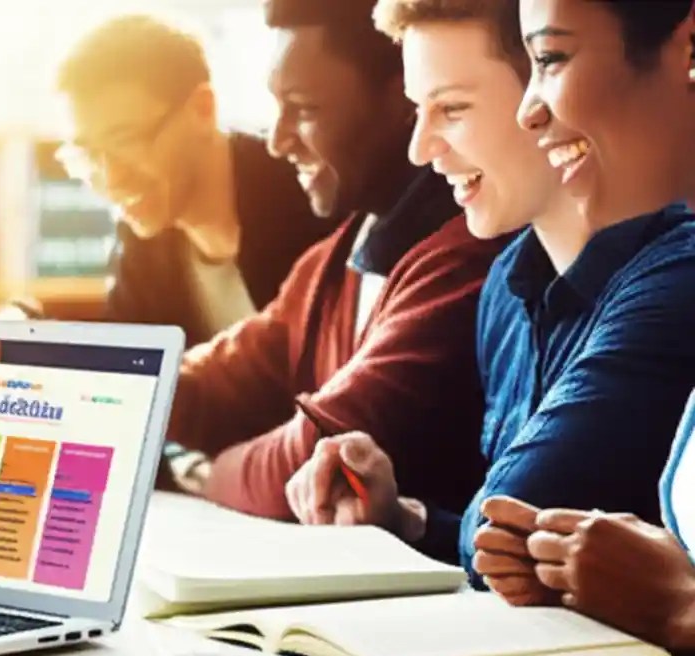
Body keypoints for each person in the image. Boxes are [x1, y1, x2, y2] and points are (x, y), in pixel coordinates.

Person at [292, 0, 695, 584]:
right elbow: (505, 549)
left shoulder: (674, 278)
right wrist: (402, 518)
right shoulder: (504, 290)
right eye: (418, 112)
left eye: (453, 108)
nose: (420, 149)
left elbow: (504, 526)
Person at [158, 0, 501, 537]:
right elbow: (216, 386)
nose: (278, 140)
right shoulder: (338, 257)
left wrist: (202, 477)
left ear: (403, 99)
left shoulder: (466, 257)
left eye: (305, 109)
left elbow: (309, 456)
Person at [43, 14, 338, 346]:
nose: (112, 180)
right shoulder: (142, 249)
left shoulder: (311, 199)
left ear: (202, 108)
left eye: (128, 142)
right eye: (89, 156)